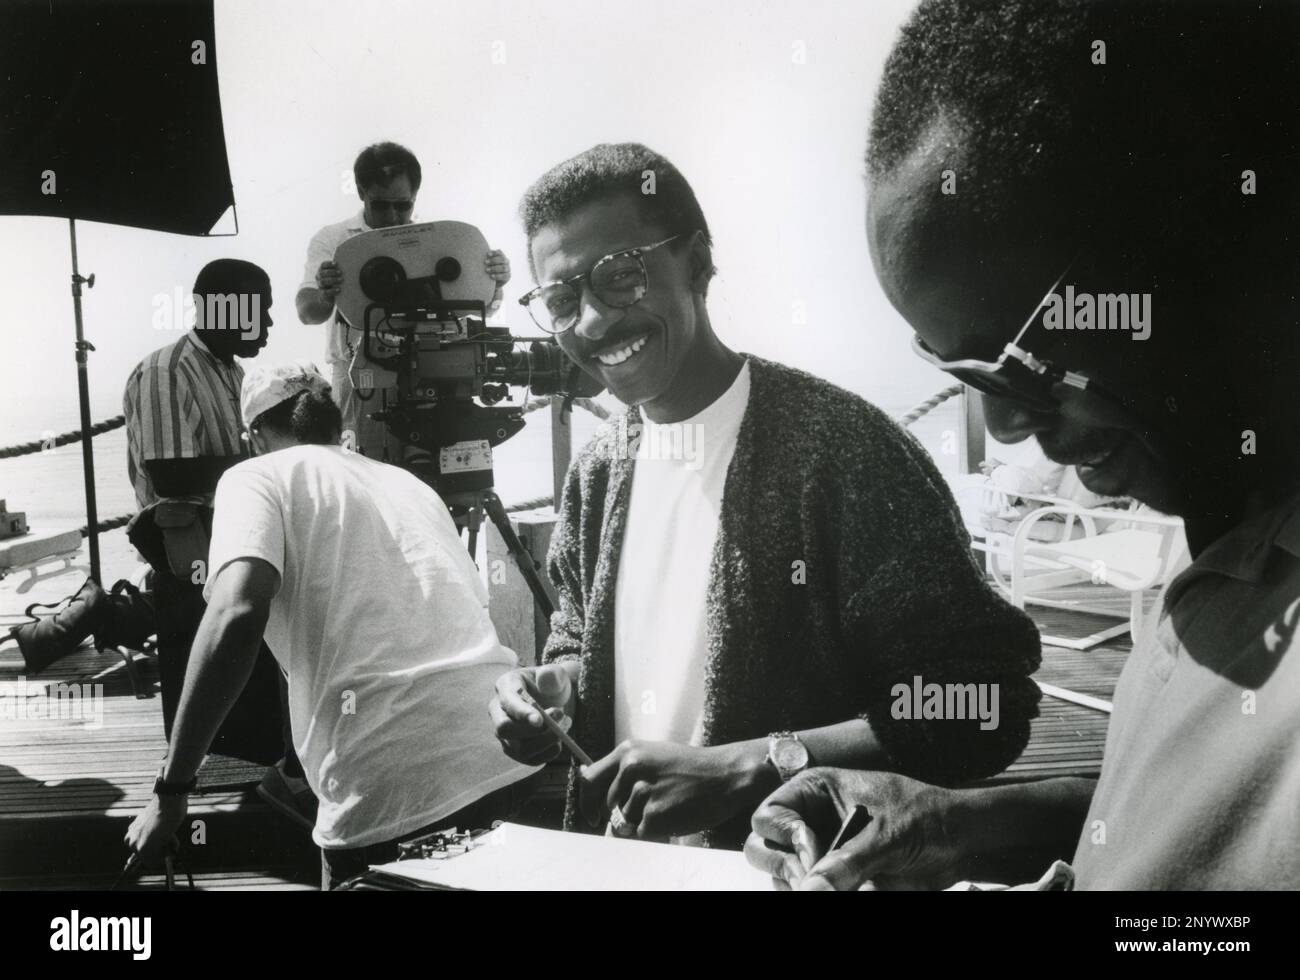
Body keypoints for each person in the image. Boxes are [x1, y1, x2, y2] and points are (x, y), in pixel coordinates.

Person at [747, 0, 1300, 890]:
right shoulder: (1225, 546)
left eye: (1018, 366)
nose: (1005, 426)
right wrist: (955, 824)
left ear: (1207, 247)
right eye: (958, 372)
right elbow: (1186, 823)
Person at [488, 143, 1043, 849]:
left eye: (621, 276)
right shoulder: (596, 473)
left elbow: (986, 700)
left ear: (695, 262)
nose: (593, 322)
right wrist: (560, 686)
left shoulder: (841, 451)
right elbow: (580, 633)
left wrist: (763, 761)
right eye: (562, 300)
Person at [123, 364, 535, 889]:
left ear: (253, 436)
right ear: (329, 417)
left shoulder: (252, 476)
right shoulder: (408, 483)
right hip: (504, 755)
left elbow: (236, 614)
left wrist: (172, 792)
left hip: (389, 790)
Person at [122, 259, 309, 826]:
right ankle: (195, 810)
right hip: (193, 559)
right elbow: (173, 474)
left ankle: (262, 792)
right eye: (263, 306)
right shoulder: (166, 371)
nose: (271, 320)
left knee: (246, 701)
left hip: (233, 549)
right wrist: (282, 467)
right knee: (206, 698)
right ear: (224, 306)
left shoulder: (231, 374)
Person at [295, 141, 512, 458]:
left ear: (415, 199)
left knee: (436, 473)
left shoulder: (435, 241)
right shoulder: (333, 240)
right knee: (362, 475)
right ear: (360, 191)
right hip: (359, 382)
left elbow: (476, 310)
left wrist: (494, 281)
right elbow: (307, 312)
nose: (393, 216)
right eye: (381, 205)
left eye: (403, 206)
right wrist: (326, 292)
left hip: (429, 373)